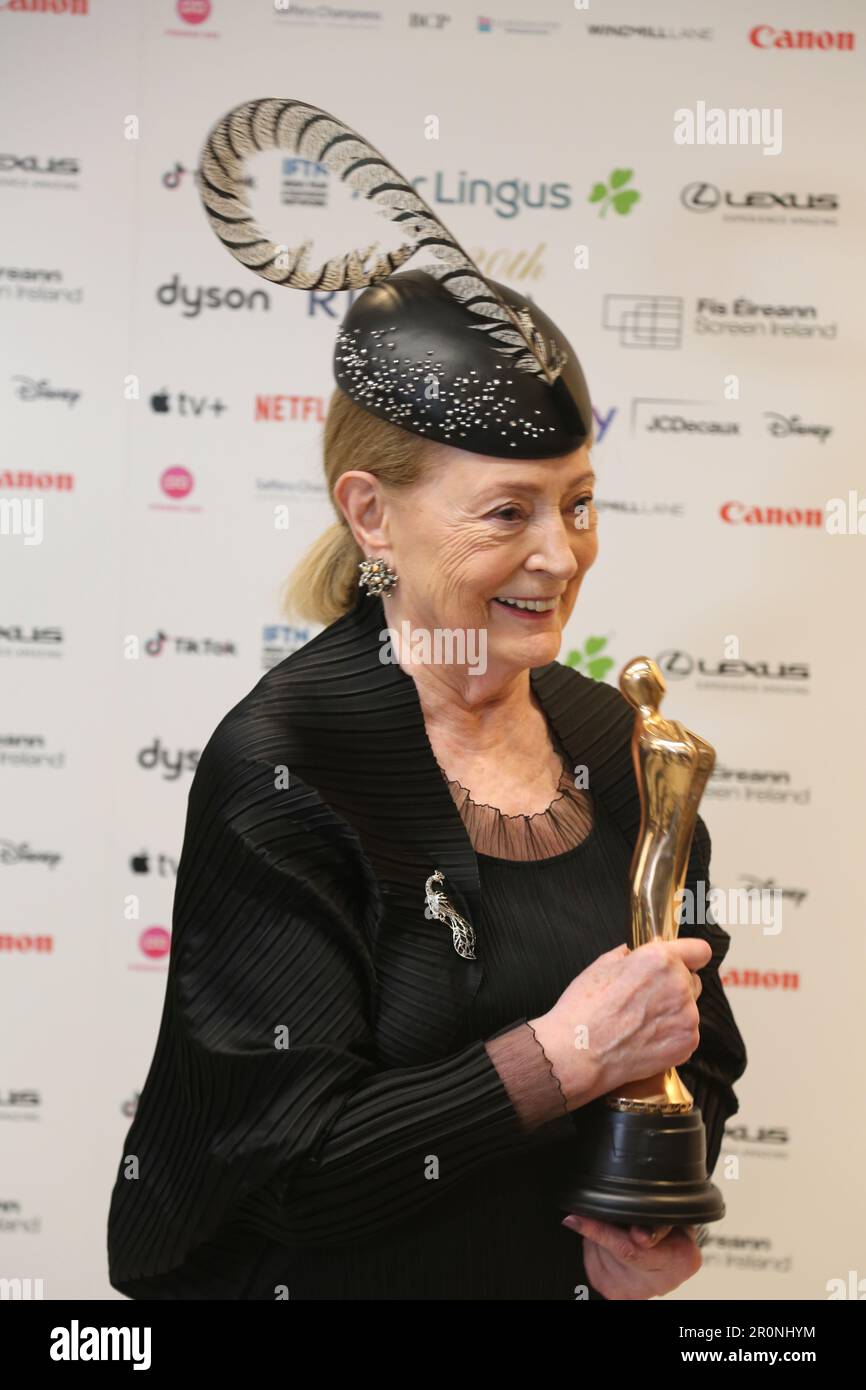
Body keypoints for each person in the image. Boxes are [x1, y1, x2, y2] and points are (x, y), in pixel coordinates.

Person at [106, 98, 747, 1300]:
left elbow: (695, 1053)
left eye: (578, 500)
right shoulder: (288, 764)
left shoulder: (617, 749)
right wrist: (559, 1056)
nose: (559, 554)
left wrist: (642, 1215)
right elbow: (279, 1166)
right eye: (506, 511)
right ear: (370, 514)